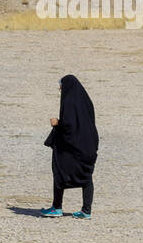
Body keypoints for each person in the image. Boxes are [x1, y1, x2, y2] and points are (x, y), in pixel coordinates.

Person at [41, 74, 99, 219]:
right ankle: (86, 211)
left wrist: (57, 123)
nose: (60, 89)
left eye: (61, 86)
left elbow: (69, 126)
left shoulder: (68, 102)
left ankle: (57, 207)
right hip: (88, 144)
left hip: (72, 147)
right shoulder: (86, 102)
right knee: (86, 176)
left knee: (59, 171)